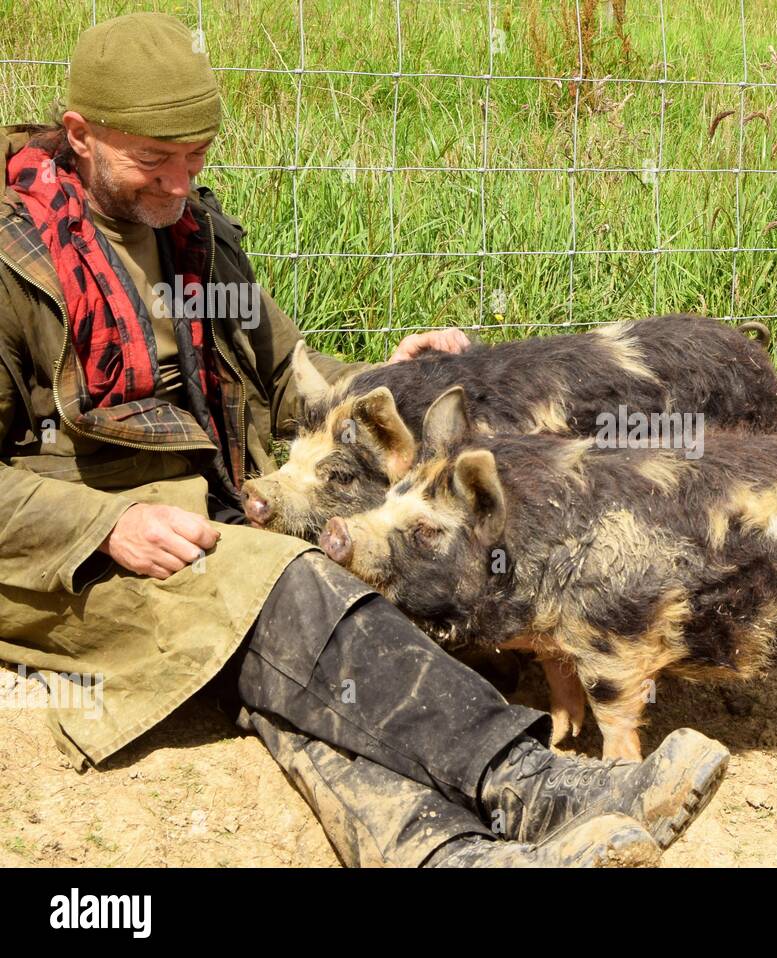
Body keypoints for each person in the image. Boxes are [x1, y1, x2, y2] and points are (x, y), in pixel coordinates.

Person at [0, 12, 728, 867]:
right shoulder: (19, 266)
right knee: (292, 588)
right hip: (70, 556)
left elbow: (287, 378)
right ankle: (537, 782)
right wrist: (104, 527)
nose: (178, 182)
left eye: (196, 157)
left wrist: (389, 377)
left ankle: (456, 856)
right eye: (153, 161)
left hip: (217, 521)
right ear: (80, 136)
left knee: (311, 675)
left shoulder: (193, 236)